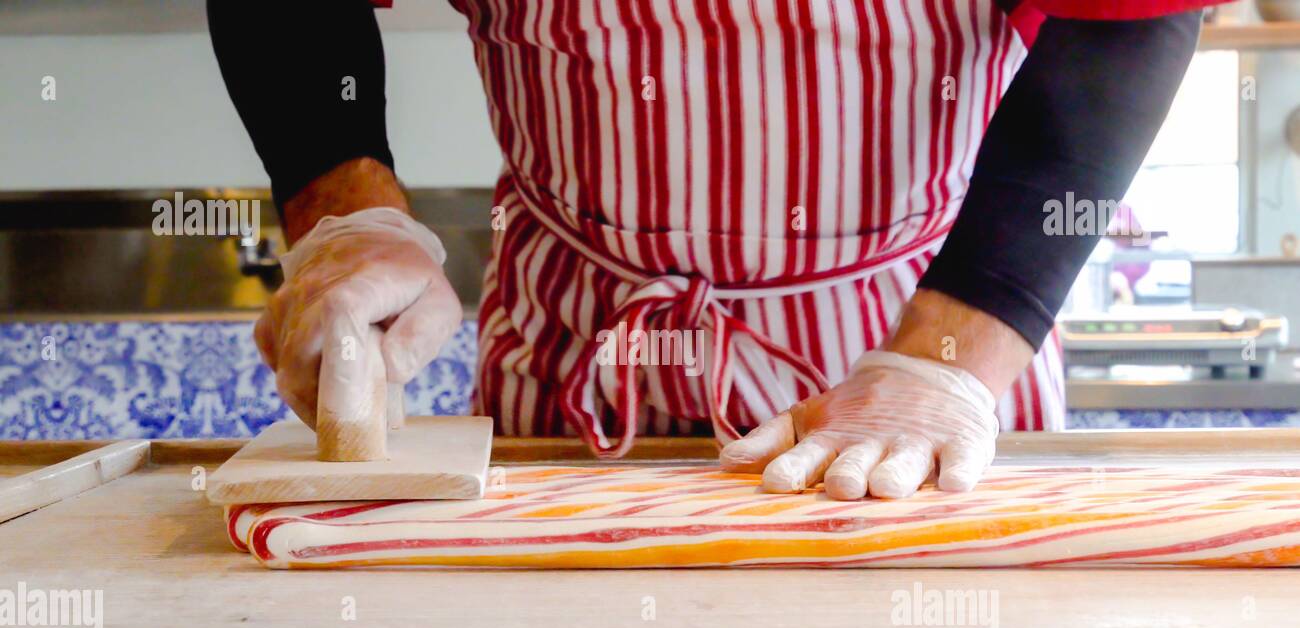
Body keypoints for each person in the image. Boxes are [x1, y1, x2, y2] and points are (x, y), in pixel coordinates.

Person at [208, 0, 1219, 499]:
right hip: (577, 367)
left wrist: (947, 356)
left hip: (932, 354)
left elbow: (1127, 17)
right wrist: (347, 215)